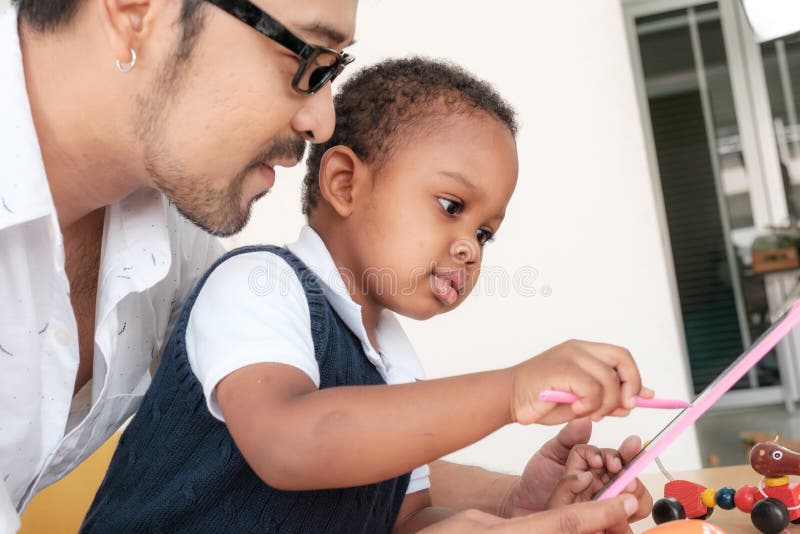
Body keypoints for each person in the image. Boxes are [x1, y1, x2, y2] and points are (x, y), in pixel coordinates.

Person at [80, 57, 653, 533]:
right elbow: (291, 441)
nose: (470, 249)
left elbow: (407, 520)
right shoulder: (260, 285)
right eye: (452, 207)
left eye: (484, 233)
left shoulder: (393, 361)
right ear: (344, 183)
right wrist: (510, 391)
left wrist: (517, 509)